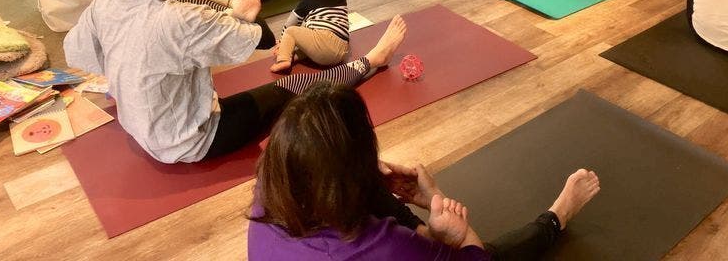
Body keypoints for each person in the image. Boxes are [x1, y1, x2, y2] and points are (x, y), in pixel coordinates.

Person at [64, 0, 408, 164]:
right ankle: (372, 60)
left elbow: (77, 51)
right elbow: (261, 39)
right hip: (190, 141)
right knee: (298, 86)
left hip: (139, 126)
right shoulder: (176, 19)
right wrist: (244, 12)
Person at [248, 82, 601, 260]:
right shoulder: (377, 248)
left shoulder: (272, 180)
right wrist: (449, 222)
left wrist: (418, 222)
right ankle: (556, 218)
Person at [270, 0, 349, 73]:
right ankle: (293, 56)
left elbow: (292, 21)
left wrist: (282, 41)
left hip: (325, 46)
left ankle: (283, 59)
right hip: (342, 49)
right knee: (307, 40)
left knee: (291, 32)